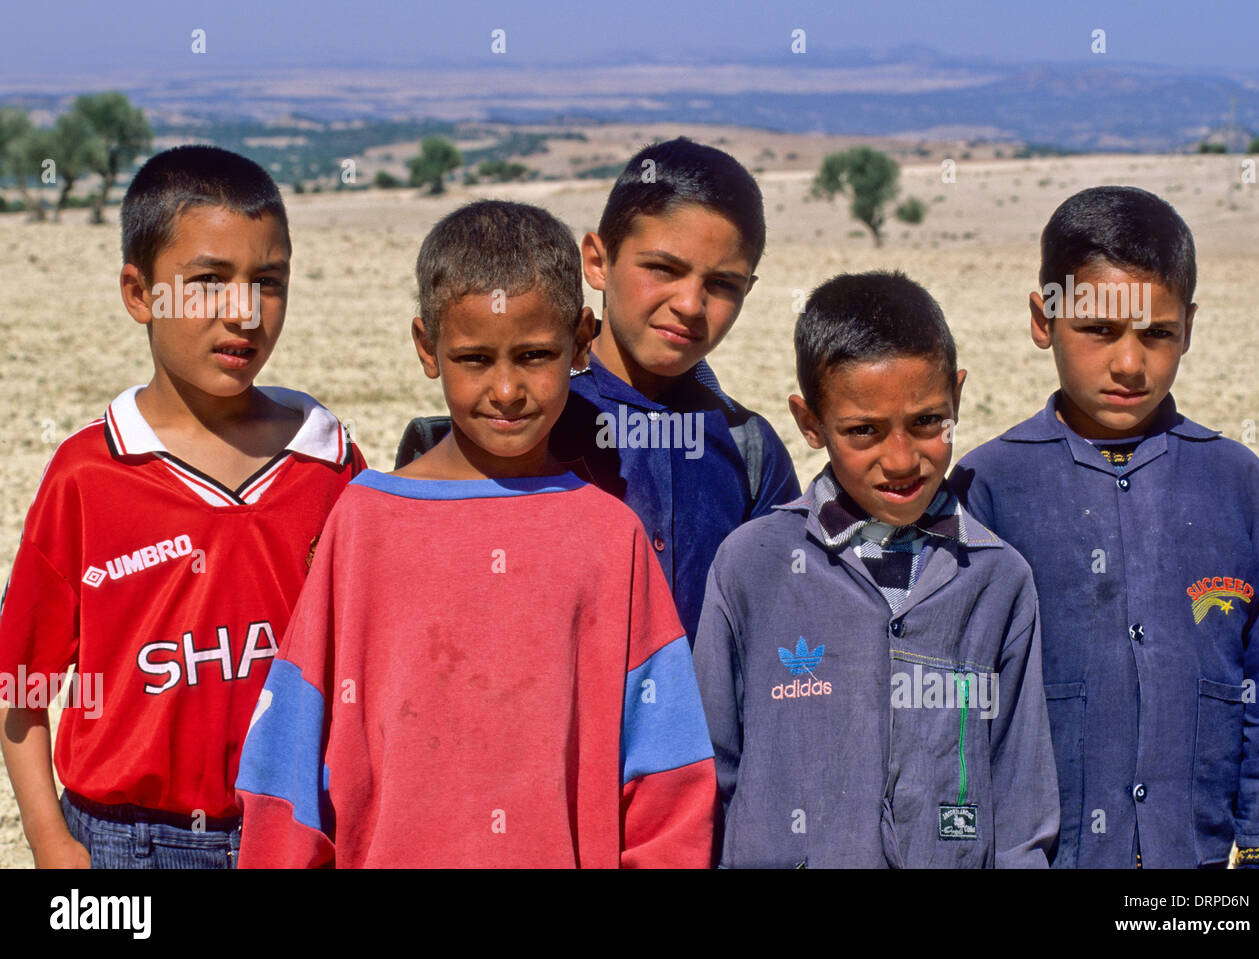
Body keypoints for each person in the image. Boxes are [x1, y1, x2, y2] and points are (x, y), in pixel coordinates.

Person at [236, 200, 716, 868]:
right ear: (427, 348)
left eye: (534, 355)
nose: (507, 388)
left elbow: (668, 777)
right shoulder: (366, 523)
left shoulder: (610, 537)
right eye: (474, 358)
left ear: (581, 340)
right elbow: (288, 767)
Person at [0, 145, 364, 868]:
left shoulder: (328, 460)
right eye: (208, 282)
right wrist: (50, 840)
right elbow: (23, 688)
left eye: (268, 281)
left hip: (293, 827)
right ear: (140, 293)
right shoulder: (87, 474)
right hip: (122, 840)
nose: (245, 312)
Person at [950, 185, 1259, 868]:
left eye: (1158, 333)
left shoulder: (1239, 487)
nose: (1130, 364)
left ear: (1189, 327)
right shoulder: (985, 490)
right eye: (1100, 330)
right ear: (1042, 317)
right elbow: (957, 706)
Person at [692, 271, 1058, 868]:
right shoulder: (752, 566)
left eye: (926, 422)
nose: (901, 459)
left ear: (957, 400)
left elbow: (1021, 793)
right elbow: (711, 767)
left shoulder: (997, 580)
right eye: (863, 430)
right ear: (810, 423)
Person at [396, 138, 800, 642]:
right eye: (663, 269)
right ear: (597, 261)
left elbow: (776, 634)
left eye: (722, 284)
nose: (691, 304)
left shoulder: (750, 452)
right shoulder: (521, 423)